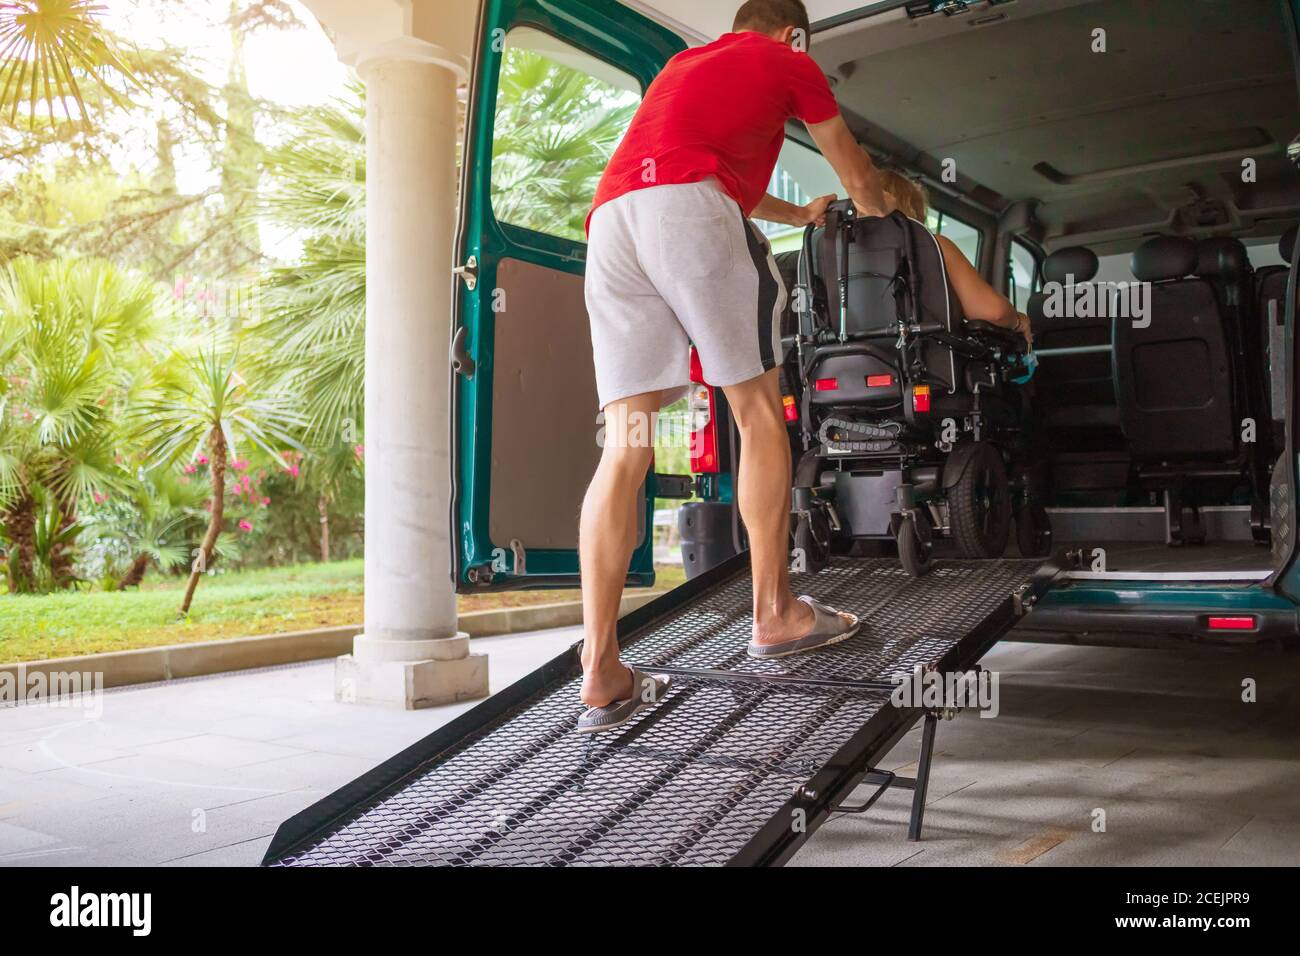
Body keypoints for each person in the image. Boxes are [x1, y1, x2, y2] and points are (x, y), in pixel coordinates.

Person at [576, 0, 895, 733]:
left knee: (625, 443)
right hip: (688, 211)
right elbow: (856, 170)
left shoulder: (683, 67)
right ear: (794, 33)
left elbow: (687, 175)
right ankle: (776, 613)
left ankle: (600, 668)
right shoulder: (790, 61)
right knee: (756, 410)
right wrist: (886, 220)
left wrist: (797, 216)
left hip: (612, 224)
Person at [876, 169, 1034, 346]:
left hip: (850, 364)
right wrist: (1019, 321)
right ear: (913, 211)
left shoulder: (843, 255)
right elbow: (995, 313)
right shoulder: (932, 247)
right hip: (922, 362)